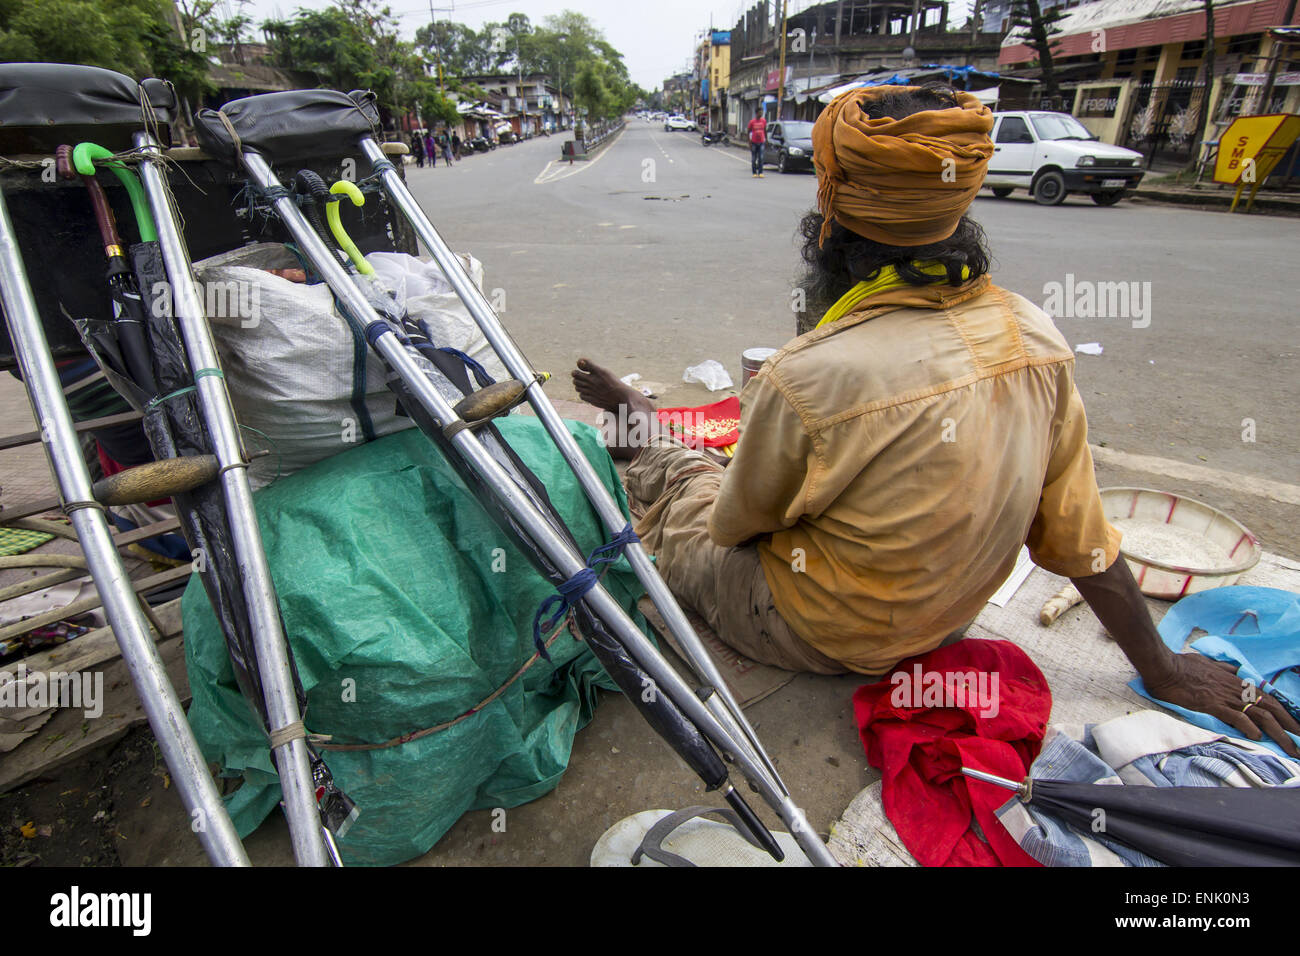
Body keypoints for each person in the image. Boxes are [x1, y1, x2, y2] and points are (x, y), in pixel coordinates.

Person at [572, 84, 1300, 756]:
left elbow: (735, 530)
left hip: (816, 633)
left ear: (830, 229)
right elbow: (1078, 533)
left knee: (693, 486)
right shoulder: (1036, 338)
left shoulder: (807, 374)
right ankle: (656, 433)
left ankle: (643, 424)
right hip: (944, 624)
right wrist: (1162, 667)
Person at [747, 107, 767, 177]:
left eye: (762, 112)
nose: (761, 113)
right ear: (757, 113)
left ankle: (760, 172)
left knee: (761, 158)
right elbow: (748, 131)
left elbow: (765, 130)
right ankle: (754, 173)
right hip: (754, 142)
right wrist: (749, 142)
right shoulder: (752, 122)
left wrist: (766, 139)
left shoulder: (763, 121)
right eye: (760, 112)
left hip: (761, 142)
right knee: (753, 158)